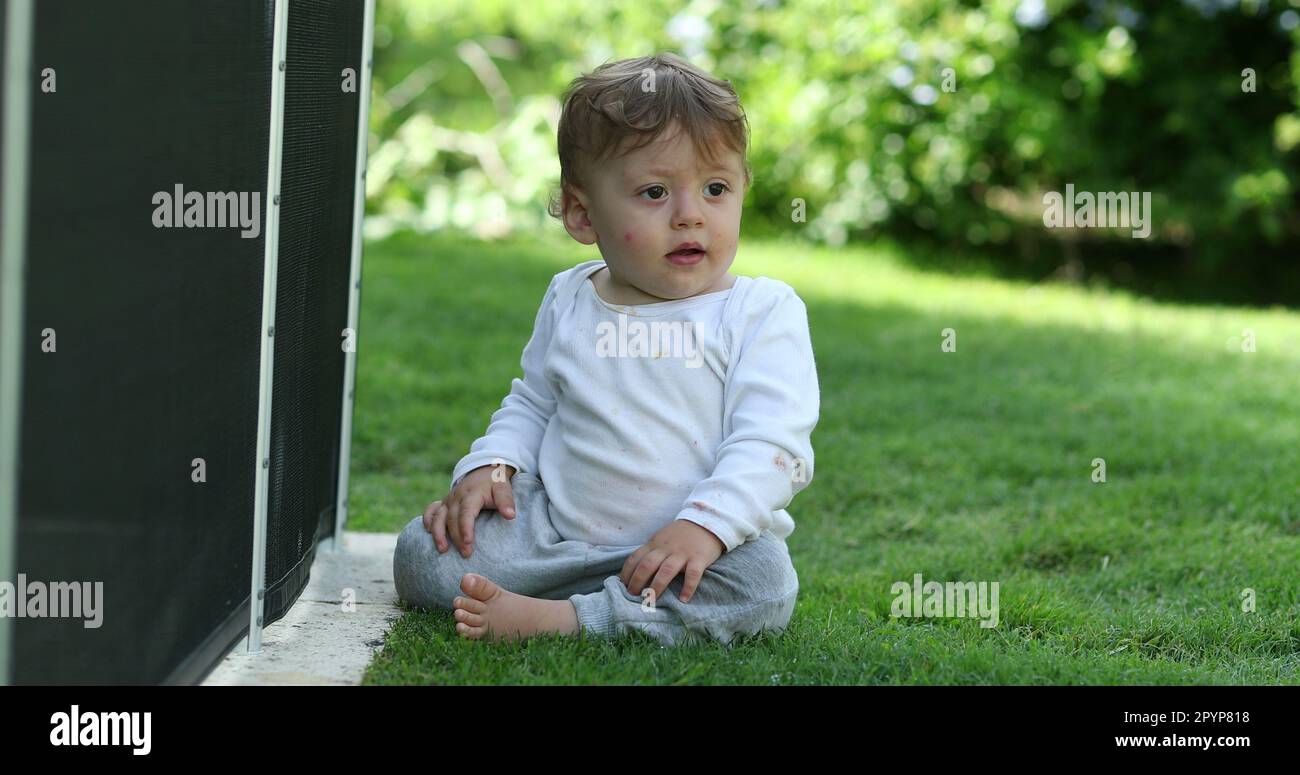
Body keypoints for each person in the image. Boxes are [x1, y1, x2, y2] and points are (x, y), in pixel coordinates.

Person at [392, 52, 819, 646]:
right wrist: (491, 467)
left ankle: (573, 619)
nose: (690, 216)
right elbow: (534, 404)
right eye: (653, 192)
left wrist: (705, 527)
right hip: (559, 537)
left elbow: (772, 446)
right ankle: (591, 594)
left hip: (696, 550)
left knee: (763, 583)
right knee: (423, 550)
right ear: (580, 212)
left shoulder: (760, 313)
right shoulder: (571, 296)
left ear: (743, 188)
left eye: (715, 188)